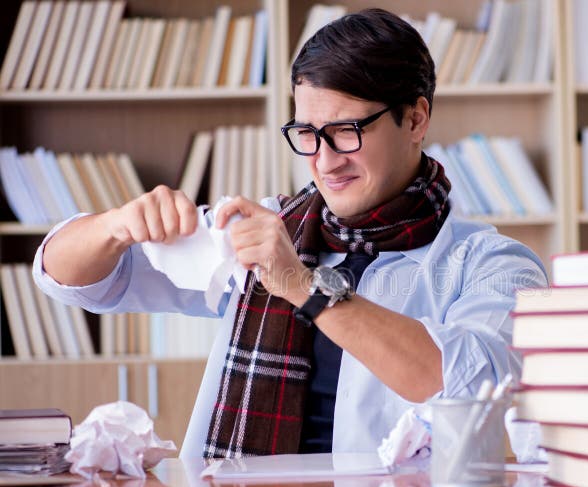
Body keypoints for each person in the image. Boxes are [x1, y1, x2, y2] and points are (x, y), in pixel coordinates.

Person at [34, 8, 547, 458]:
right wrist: (115, 227)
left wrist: (303, 286)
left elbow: (471, 386)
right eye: (307, 134)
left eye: (347, 131)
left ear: (415, 119)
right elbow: (71, 277)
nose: (324, 161)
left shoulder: (496, 264)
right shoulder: (264, 228)